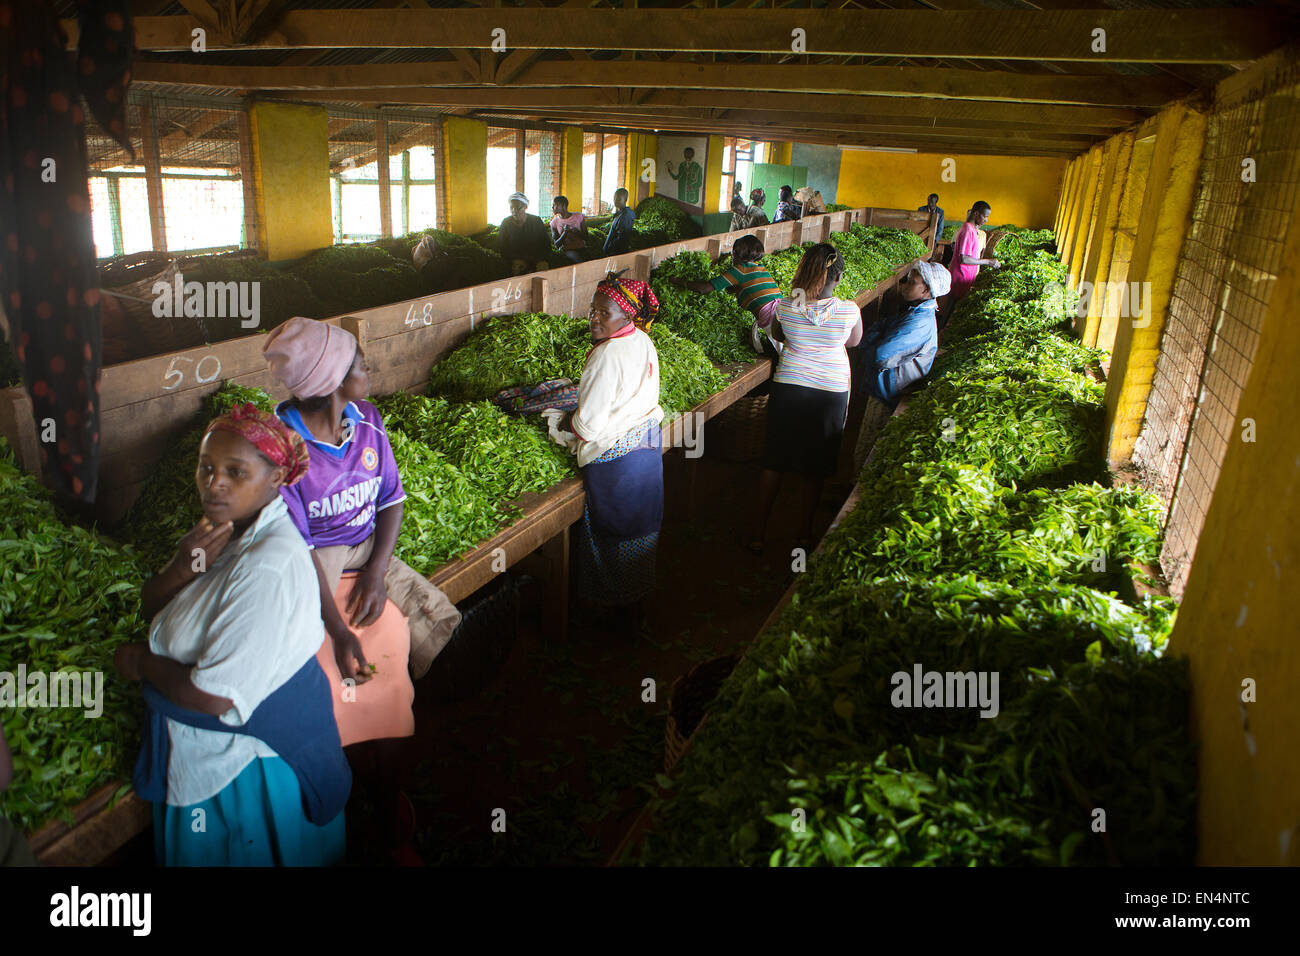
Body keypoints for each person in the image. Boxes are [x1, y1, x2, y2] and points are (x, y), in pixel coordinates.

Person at [115, 403, 349, 866]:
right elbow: (155, 606)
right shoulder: (224, 532)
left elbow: (215, 697)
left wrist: (142, 664)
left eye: (234, 472)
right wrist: (183, 566)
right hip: (212, 750)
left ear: (275, 480)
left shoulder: (267, 565)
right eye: (207, 468)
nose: (213, 483)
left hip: (242, 765)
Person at [263, 317, 460, 686]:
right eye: (360, 364)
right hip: (313, 555)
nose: (369, 369)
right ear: (334, 380)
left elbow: (391, 498)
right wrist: (337, 630)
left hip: (365, 544)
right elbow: (298, 548)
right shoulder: (283, 448)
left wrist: (376, 571)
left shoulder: (367, 418)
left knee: (433, 615)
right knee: (312, 641)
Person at [543, 275, 664, 628]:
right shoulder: (641, 339)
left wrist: (562, 422)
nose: (593, 318)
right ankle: (637, 610)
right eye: (592, 310)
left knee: (612, 536)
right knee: (640, 528)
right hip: (646, 447)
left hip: (617, 462)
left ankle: (610, 619)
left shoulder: (606, 356)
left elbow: (588, 428)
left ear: (626, 315)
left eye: (604, 312)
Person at [750, 243, 861, 554]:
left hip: (790, 388)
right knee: (815, 467)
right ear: (837, 278)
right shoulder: (849, 310)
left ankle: (758, 533)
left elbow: (779, 335)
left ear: (806, 271)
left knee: (775, 460)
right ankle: (802, 535)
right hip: (829, 392)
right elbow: (854, 341)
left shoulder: (785, 306)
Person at [671, 234, 781, 356]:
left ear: (737, 254)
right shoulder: (760, 269)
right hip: (783, 311)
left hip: (772, 318)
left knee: (778, 354)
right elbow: (737, 288)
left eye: (733, 253)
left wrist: (678, 281)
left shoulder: (740, 270)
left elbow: (704, 289)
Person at [862, 260, 950, 407]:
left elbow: (880, 355)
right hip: (882, 387)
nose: (905, 285)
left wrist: (866, 344)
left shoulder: (919, 324)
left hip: (889, 393)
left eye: (912, 282)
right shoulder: (914, 311)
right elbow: (883, 325)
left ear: (926, 290)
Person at [944, 200, 1001, 323]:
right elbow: (963, 258)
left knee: (954, 306)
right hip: (960, 275)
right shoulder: (967, 231)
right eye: (984, 216)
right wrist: (987, 262)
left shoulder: (972, 229)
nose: (986, 220)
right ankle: (941, 330)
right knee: (951, 307)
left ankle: (943, 326)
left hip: (965, 276)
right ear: (976, 214)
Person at [498, 192, 551, 275]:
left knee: (542, 270)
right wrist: (515, 259)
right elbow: (502, 246)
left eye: (518, 208)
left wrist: (541, 260)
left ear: (525, 207)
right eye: (512, 208)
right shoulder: (506, 223)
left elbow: (545, 243)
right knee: (517, 269)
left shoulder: (536, 221)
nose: (514, 211)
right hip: (516, 259)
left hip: (536, 258)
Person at [550, 195, 589, 264]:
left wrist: (576, 232)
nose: (552, 207)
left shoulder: (578, 216)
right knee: (577, 258)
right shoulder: (554, 222)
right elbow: (556, 244)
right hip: (567, 251)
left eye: (555, 205)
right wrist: (565, 233)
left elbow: (586, 237)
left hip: (582, 248)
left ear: (563, 206)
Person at [604, 187, 637, 256]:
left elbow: (622, 238)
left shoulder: (626, 215)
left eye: (619, 199)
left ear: (625, 200)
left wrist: (610, 247)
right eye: (614, 198)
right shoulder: (619, 213)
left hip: (617, 252)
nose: (615, 201)